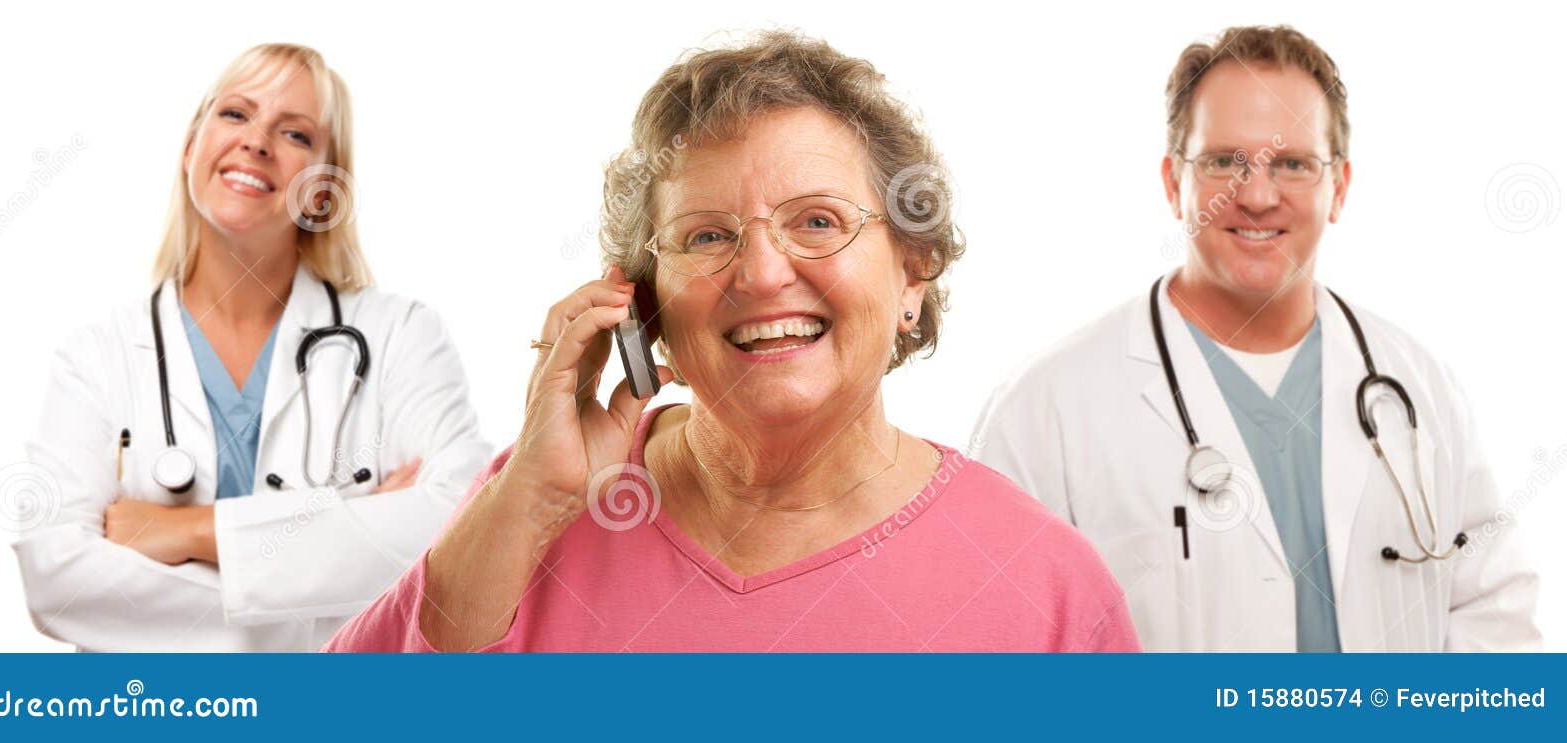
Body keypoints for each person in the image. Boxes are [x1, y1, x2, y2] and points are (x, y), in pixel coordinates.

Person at [324, 31, 1138, 652]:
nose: (761, 271)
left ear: (912, 274)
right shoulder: (536, 501)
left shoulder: (1046, 585)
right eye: (706, 237)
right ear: (644, 305)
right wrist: (529, 503)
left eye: (818, 221)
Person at [971, 25, 1539, 651]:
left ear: (1340, 188)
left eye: (1293, 164)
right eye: (1224, 162)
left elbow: (1495, 616)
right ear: (1172, 183)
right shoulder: (1046, 407)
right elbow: (1000, 655)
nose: (1259, 196)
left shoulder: (1420, 387)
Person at [12, 43, 493, 651]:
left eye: (295, 133)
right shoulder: (98, 356)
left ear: (323, 190)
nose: (257, 141)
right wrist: (336, 574)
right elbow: (56, 580)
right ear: (191, 147)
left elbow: (463, 524)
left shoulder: (401, 336)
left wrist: (190, 531)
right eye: (235, 114)